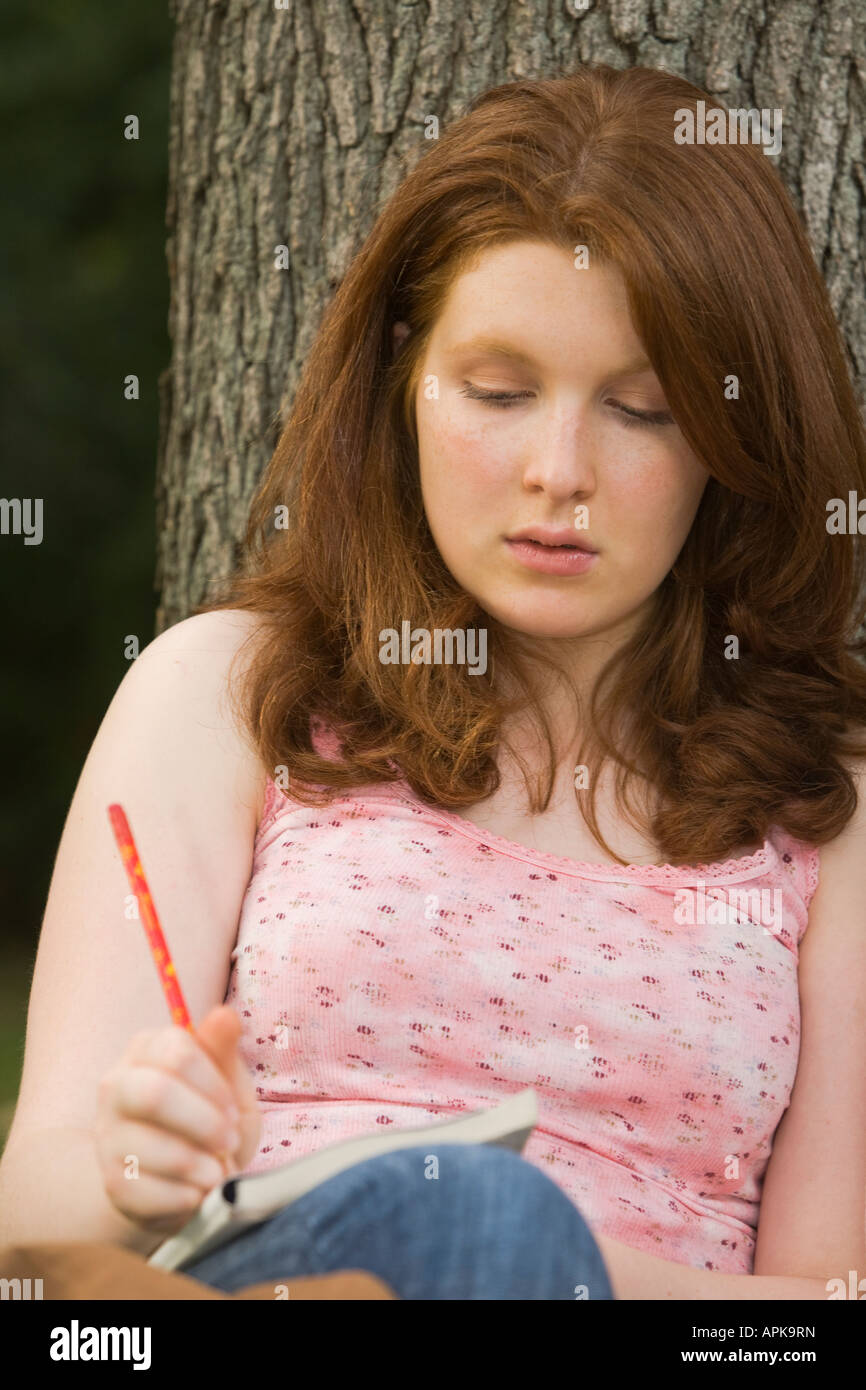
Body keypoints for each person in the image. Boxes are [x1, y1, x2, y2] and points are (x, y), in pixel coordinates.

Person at [2, 62, 865, 1301]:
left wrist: (536, 1265)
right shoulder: (228, 689)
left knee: (484, 1224)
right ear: (400, 378)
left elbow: (824, 1310)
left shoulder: (821, 798)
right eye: (498, 392)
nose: (554, 470)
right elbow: (29, 1226)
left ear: (731, 446)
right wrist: (131, 1169)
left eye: (640, 410)